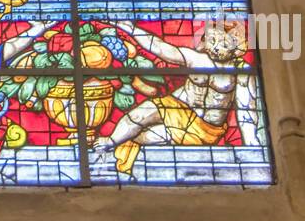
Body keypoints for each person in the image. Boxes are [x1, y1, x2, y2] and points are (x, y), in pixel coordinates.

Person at [93, 19, 260, 174]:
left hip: (205, 130)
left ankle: (117, 157)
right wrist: (130, 28)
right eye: (213, 41)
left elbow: (246, 110)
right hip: (176, 106)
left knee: (142, 138)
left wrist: (252, 146)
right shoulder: (195, 59)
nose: (216, 48)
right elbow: (161, 48)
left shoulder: (241, 71)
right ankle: (111, 140)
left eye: (224, 44)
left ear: (237, 46)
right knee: (139, 114)